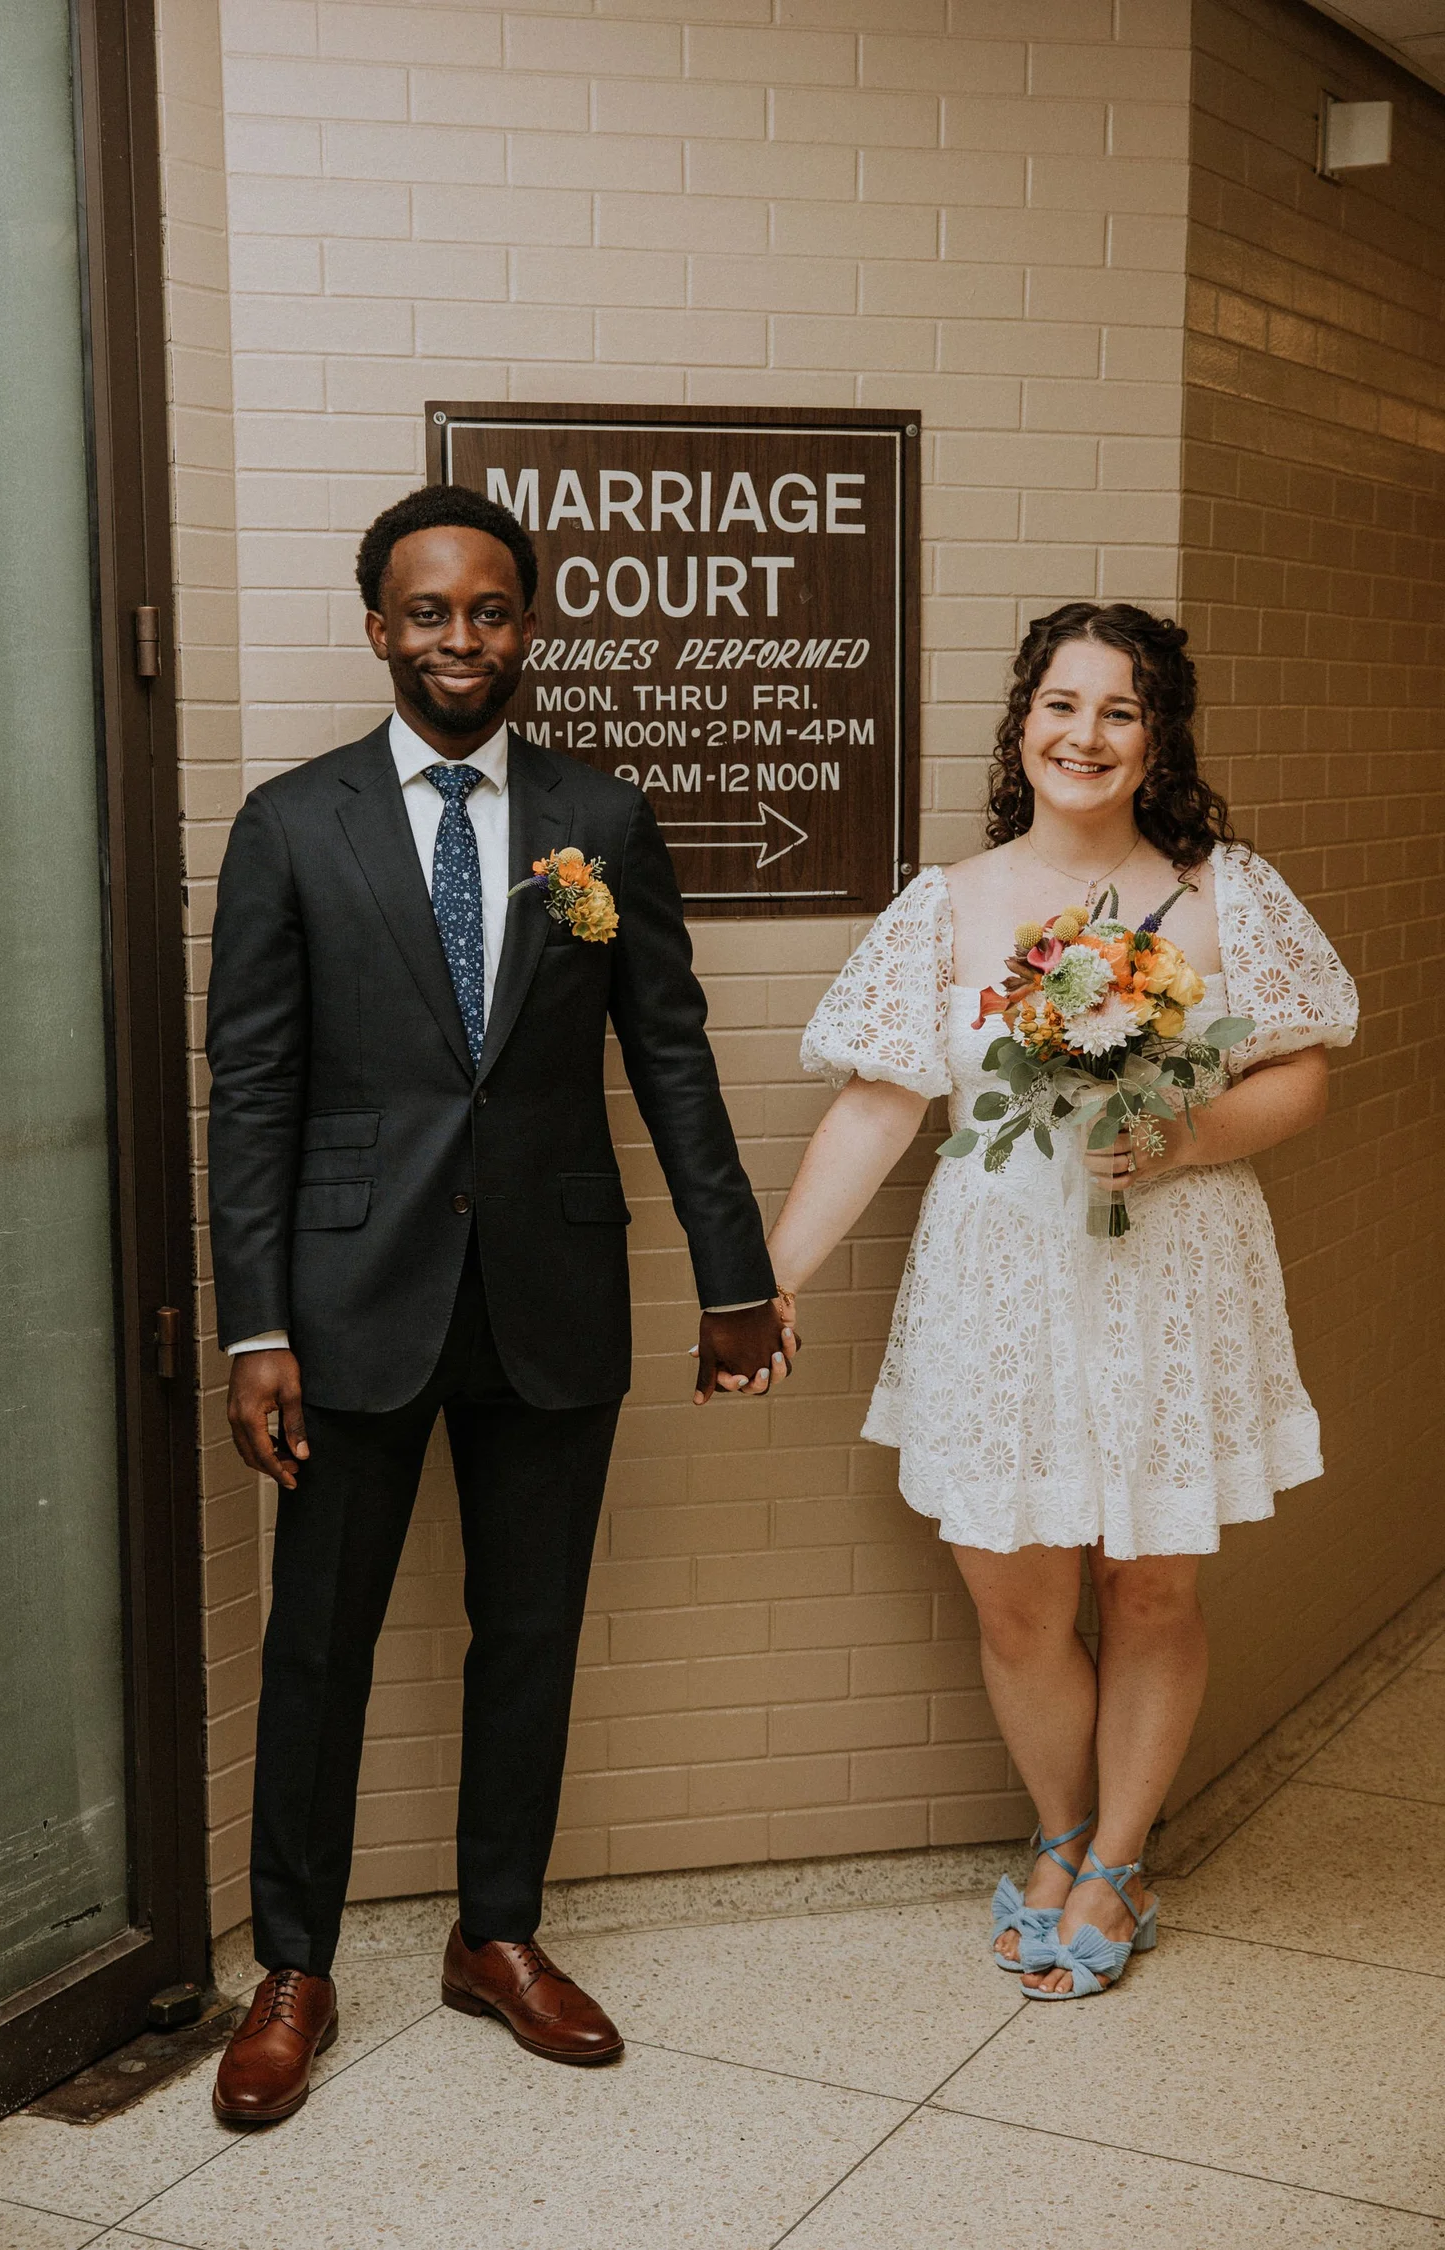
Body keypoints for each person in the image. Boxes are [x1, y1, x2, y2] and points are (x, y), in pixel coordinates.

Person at [205, 483, 795, 2125]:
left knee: (527, 1631)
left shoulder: (596, 819)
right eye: (427, 612)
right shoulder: (291, 823)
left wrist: (733, 1271)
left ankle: (497, 1934)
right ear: (378, 623)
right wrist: (258, 1323)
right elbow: (248, 1092)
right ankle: (297, 1966)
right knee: (319, 1641)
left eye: (490, 610)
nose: (460, 639)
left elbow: (667, 1053)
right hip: (345, 1305)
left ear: (525, 623)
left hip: (548, 1292)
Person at [765, 602, 1357, 2001]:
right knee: (1019, 1595)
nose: (1083, 735)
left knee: (1149, 1581)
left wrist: (1182, 1138)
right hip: (1002, 1285)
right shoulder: (951, 902)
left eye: (1119, 710)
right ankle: (1060, 1826)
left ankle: (1116, 1865)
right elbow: (876, 1105)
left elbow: (1302, 1069)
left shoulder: (1224, 891)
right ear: (1020, 721)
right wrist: (771, 1275)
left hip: (1168, 1275)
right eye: (1061, 703)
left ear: (1158, 740)